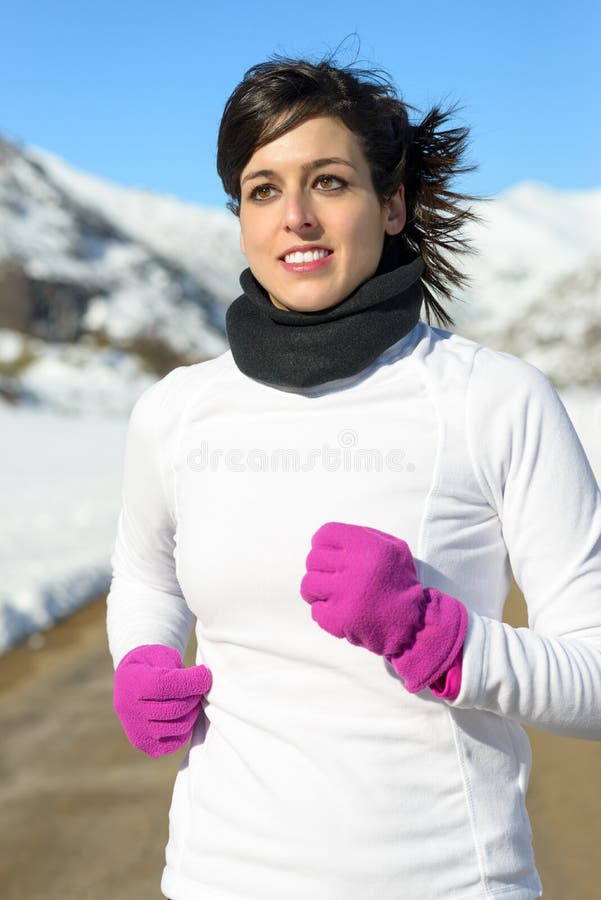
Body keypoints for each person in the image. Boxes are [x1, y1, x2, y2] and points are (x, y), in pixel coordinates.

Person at [106, 54, 601, 900]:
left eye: (328, 182)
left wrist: (437, 638)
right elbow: (146, 576)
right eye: (263, 190)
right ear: (239, 219)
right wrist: (142, 655)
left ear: (392, 203)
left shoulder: (493, 398)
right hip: (213, 878)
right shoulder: (176, 411)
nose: (294, 217)